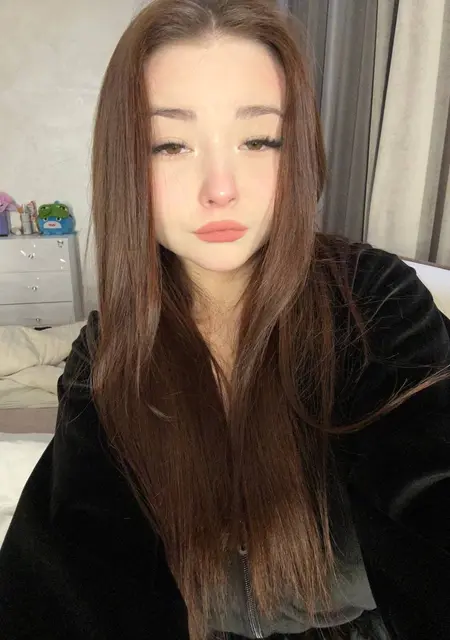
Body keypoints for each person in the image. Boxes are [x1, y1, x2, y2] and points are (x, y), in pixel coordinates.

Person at [1, 1, 449, 638]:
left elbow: (428, 494)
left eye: (258, 140)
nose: (220, 188)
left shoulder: (372, 302)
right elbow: (71, 570)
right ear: (126, 163)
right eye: (171, 144)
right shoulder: (111, 352)